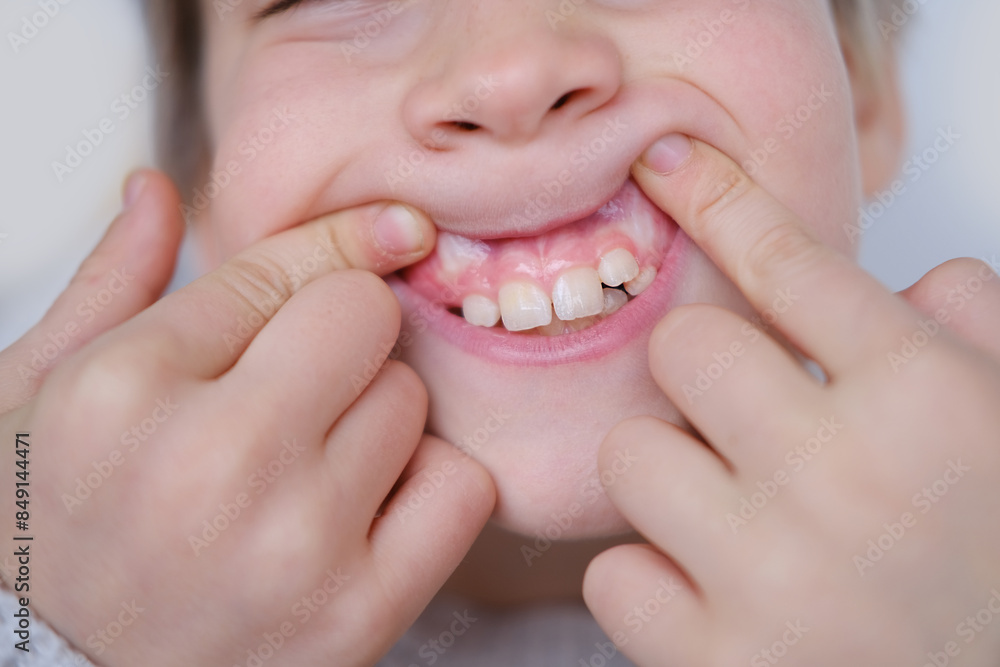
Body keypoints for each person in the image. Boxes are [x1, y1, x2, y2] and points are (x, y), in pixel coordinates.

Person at [2, 0, 999, 665]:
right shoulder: (32, 547)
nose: (510, 73)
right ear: (201, 187)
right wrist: (64, 622)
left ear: (862, 89)